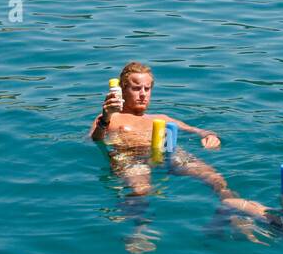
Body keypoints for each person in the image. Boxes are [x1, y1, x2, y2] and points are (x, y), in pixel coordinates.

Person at [91, 62, 230, 199]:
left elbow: (198, 131)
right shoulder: (110, 117)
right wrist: (105, 119)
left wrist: (210, 136)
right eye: (136, 88)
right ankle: (141, 221)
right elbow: (93, 140)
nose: (142, 94)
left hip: (169, 155)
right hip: (131, 158)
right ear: (123, 89)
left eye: (147, 88)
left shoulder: (160, 118)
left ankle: (232, 208)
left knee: (216, 179)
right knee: (141, 190)